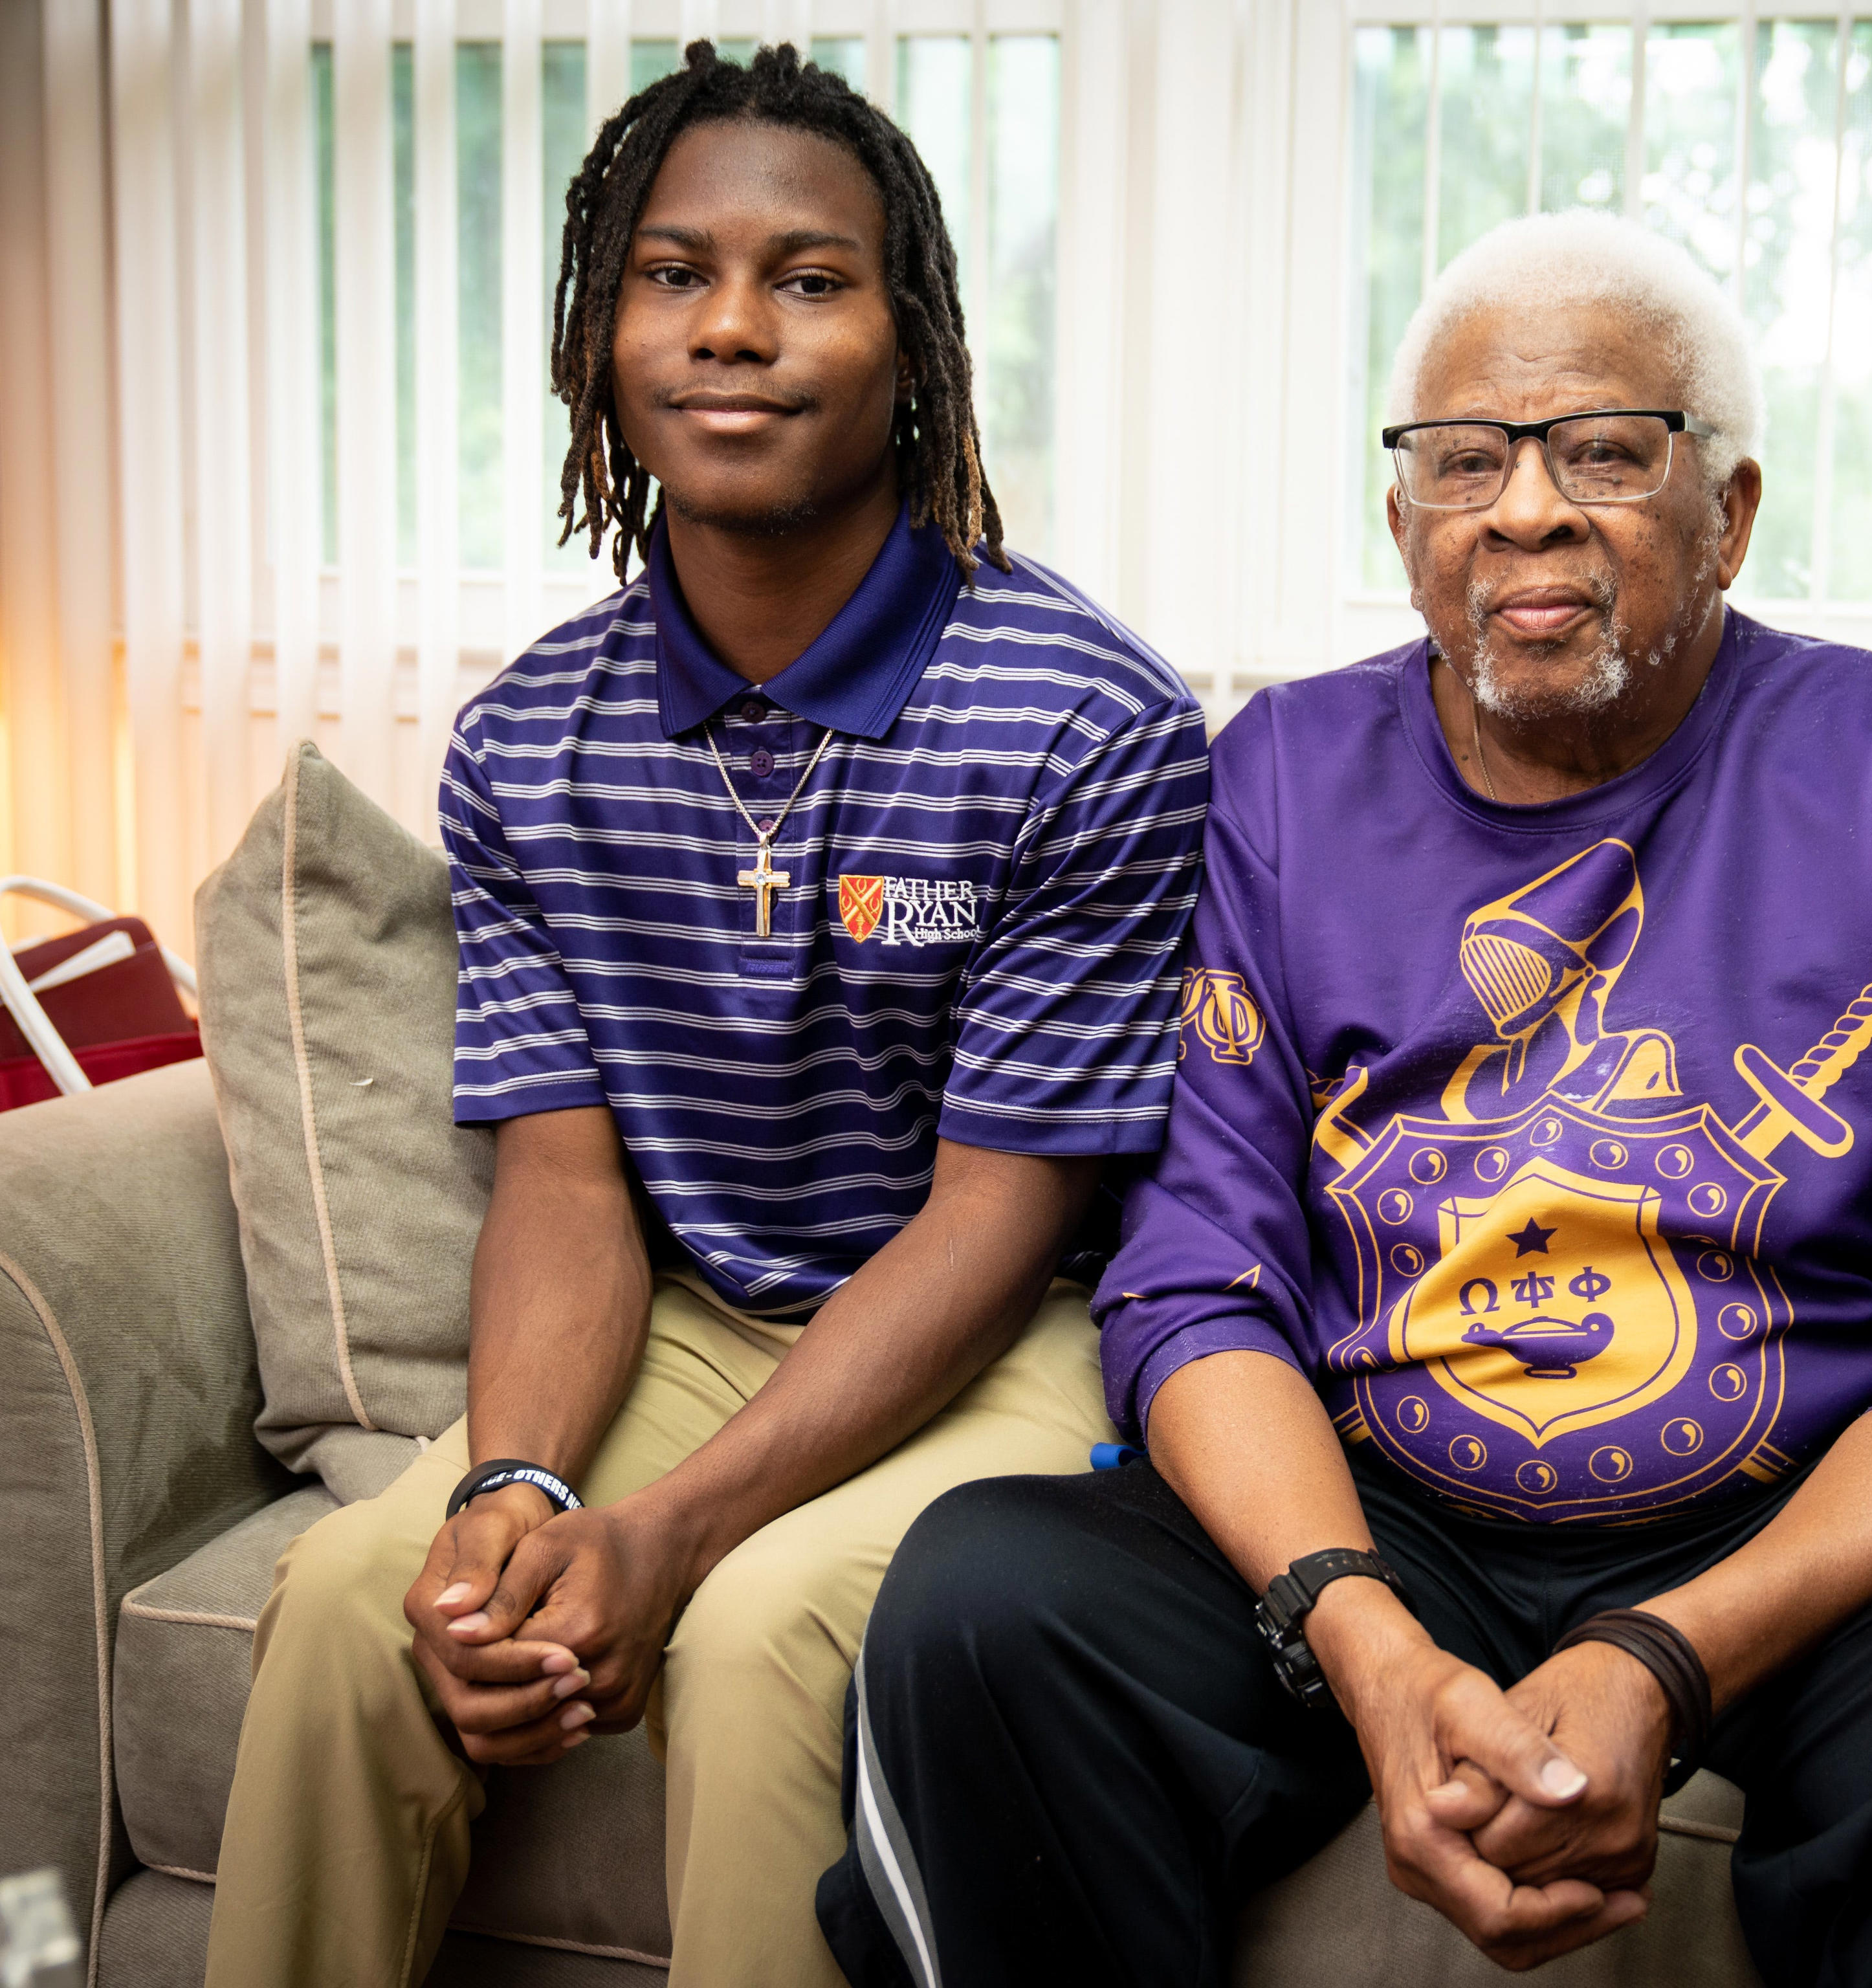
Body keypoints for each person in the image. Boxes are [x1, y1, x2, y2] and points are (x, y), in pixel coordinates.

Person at [816, 213, 1872, 1988]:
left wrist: (1672, 1652)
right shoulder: (1282, 773)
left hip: (1792, 1508)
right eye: (1463, 461)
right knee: (986, 1604)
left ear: (1728, 514)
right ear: (1403, 523)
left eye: (1602, 449)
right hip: (1388, 1500)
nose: (1524, 510)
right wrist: (1361, 1636)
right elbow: (1197, 1278)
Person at [204, 43, 1205, 1988]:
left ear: (912, 342)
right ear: (599, 338)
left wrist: (669, 1542)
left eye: (811, 279)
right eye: (673, 275)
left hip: (1013, 1330)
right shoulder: (526, 740)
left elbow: (1001, 1219)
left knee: (756, 1633)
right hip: (690, 1314)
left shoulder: (1087, 719)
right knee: (359, 1600)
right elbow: (567, 1193)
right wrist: (523, 1493)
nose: (732, 328)